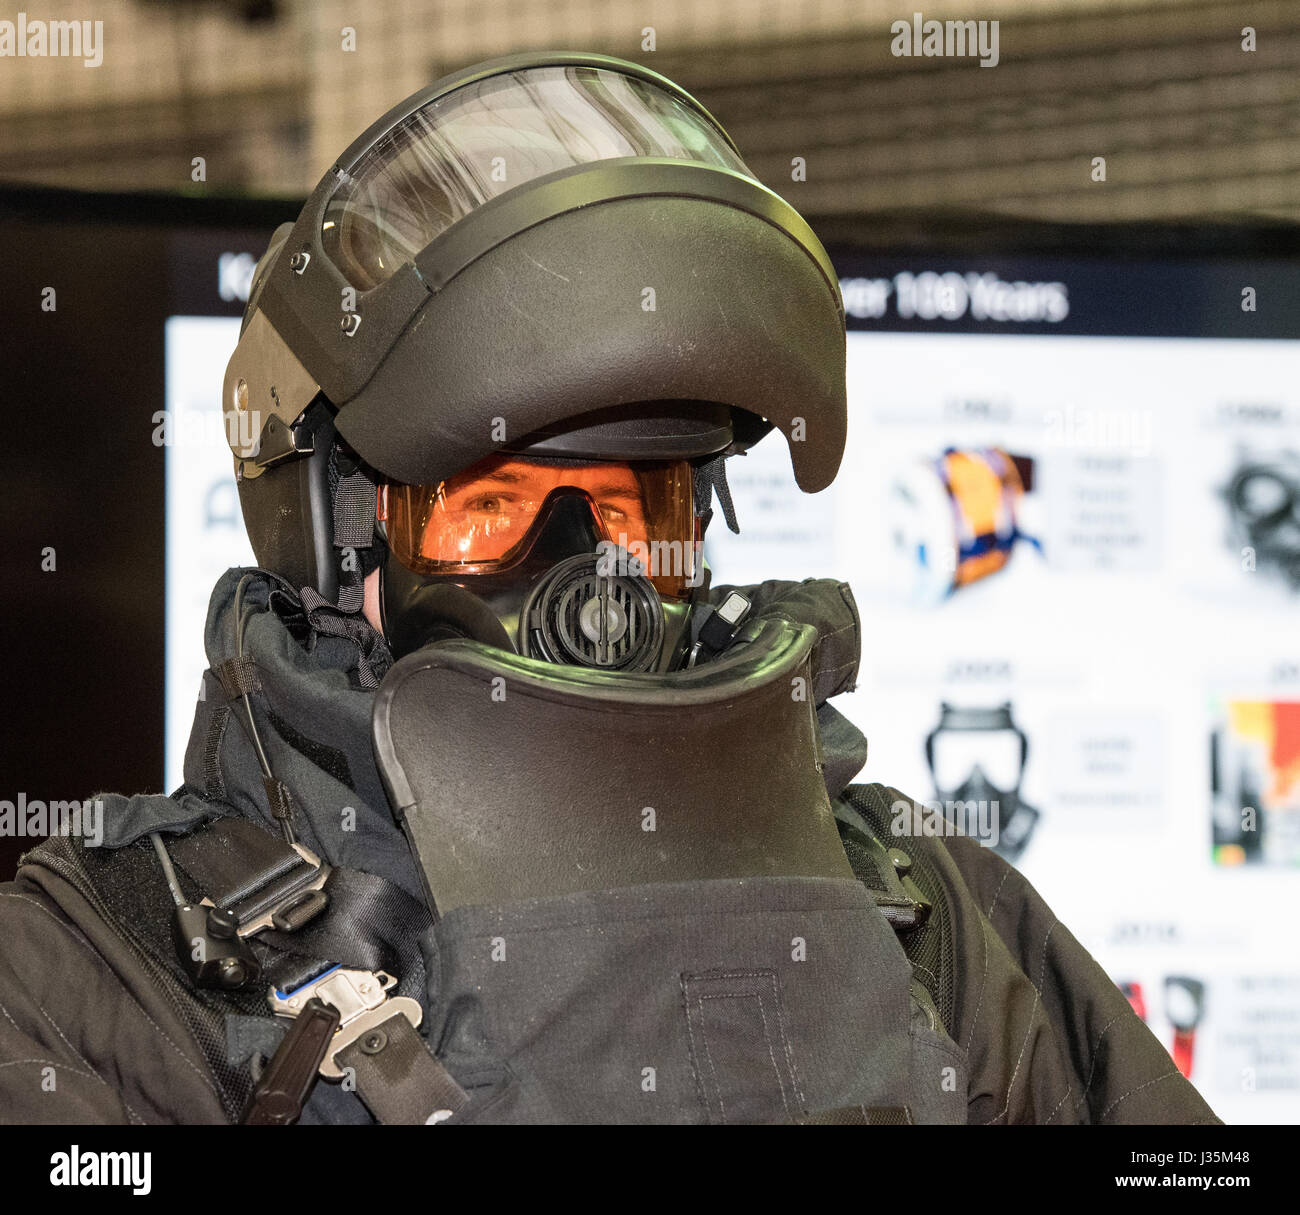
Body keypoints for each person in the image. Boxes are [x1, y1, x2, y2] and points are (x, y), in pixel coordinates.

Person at [0, 51, 1217, 1125]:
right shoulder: (116, 972)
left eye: (641, 510)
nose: (592, 593)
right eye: (490, 507)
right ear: (337, 548)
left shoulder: (932, 917)